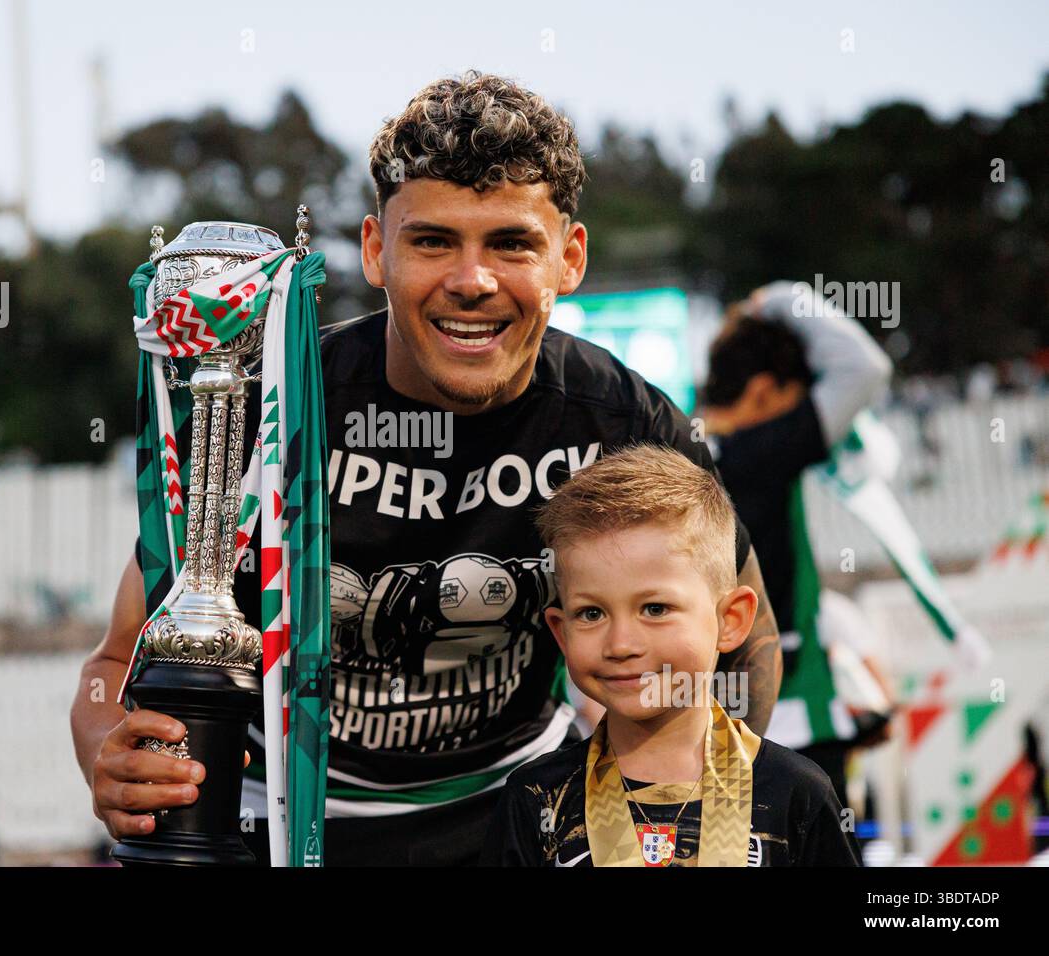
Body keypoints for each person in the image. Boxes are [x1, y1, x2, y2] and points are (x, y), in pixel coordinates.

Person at [71, 71, 782, 865]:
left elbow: (744, 638)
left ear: (568, 258)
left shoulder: (622, 421)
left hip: (516, 810)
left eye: (511, 243)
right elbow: (116, 659)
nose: (471, 282)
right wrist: (112, 753)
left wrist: (698, 808)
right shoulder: (272, 404)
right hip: (273, 817)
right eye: (433, 240)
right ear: (376, 250)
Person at [481, 444, 859, 866]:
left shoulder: (795, 794)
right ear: (561, 632)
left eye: (655, 609)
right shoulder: (535, 801)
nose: (621, 644)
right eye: (591, 613)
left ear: (731, 620)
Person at [699, 282, 894, 808]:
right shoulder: (761, 451)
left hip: (702, 734)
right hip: (795, 727)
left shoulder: (670, 455)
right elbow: (865, 368)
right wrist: (778, 299)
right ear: (764, 393)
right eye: (795, 402)